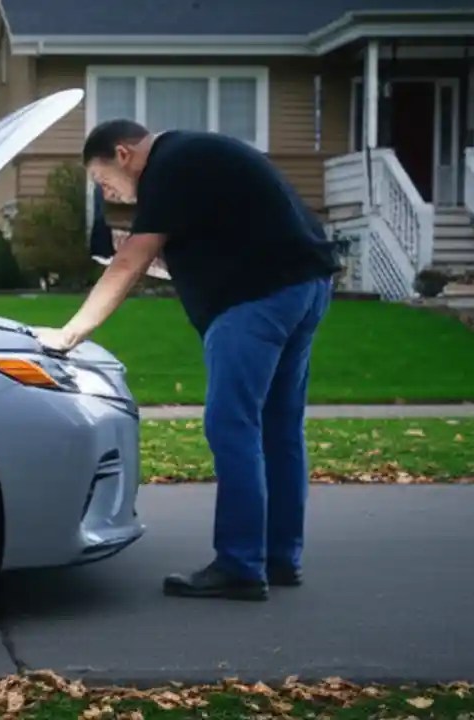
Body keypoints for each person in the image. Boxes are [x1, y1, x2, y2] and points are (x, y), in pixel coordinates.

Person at [36, 120, 340, 601]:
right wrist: (144, 257)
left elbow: (130, 262)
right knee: (279, 427)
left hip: (255, 302)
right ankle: (280, 556)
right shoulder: (196, 155)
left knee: (231, 425)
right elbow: (197, 247)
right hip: (305, 287)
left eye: (101, 180)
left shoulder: (167, 168)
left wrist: (72, 331)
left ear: (123, 153)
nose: (110, 192)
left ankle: (240, 564)